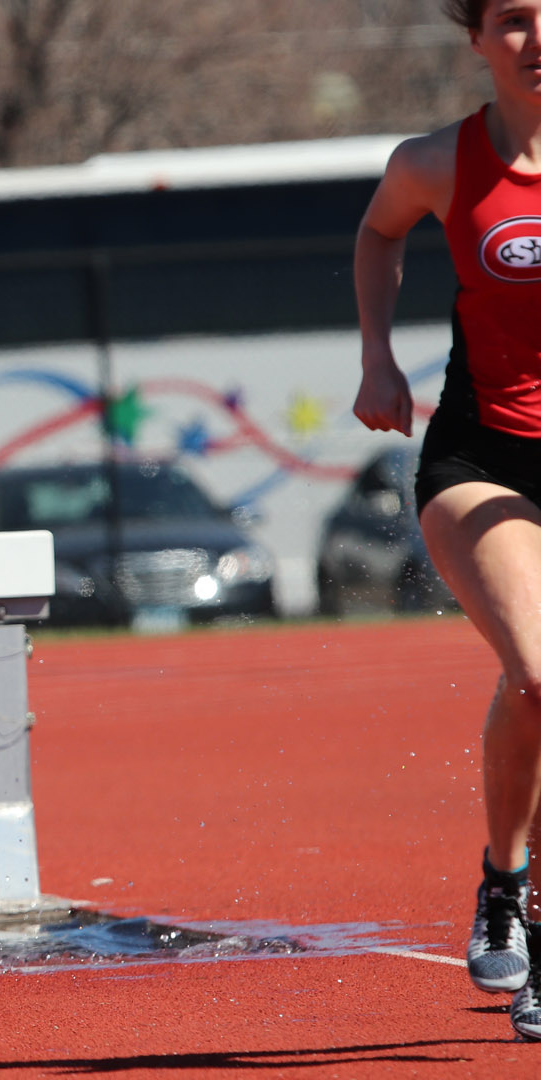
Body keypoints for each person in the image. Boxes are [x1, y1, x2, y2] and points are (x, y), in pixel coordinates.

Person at [353, 0, 541, 1041]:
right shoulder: (437, 163)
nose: (540, 36)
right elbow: (378, 235)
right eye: (515, 18)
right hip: (484, 458)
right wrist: (379, 357)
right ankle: (524, 911)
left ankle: (502, 882)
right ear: (475, 35)